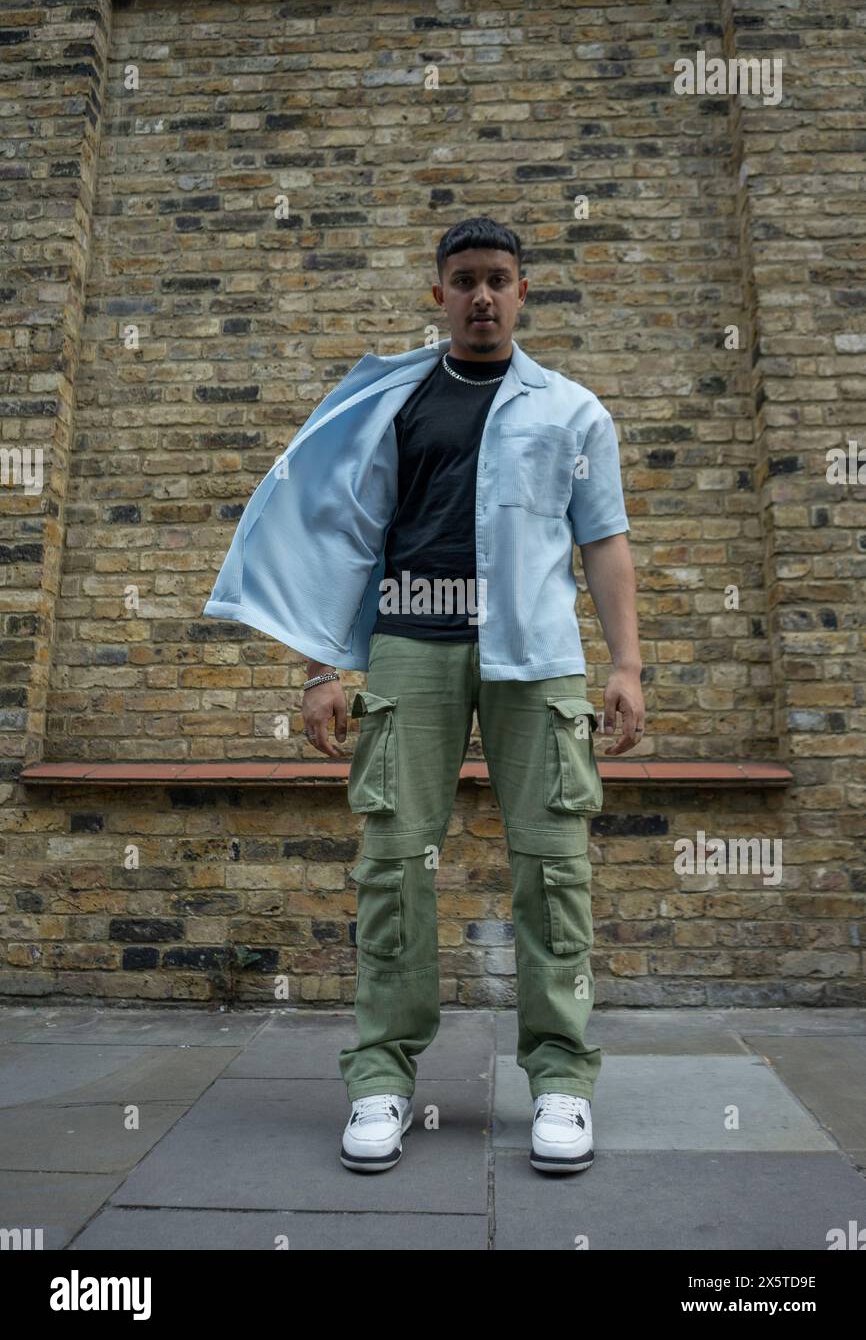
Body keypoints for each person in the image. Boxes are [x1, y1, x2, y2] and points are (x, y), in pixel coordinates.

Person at [203, 215, 645, 1176]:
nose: (481, 296)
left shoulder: (573, 411)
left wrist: (625, 666)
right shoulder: (393, 405)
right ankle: (380, 1081)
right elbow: (341, 540)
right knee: (395, 864)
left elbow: (604, 540)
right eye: (463, 280)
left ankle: (562, 1079)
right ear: (437, 294)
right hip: (410, 645)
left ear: (524, 291)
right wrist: (322, 671)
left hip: (537, 658)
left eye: (498, 279)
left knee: (556, 864)